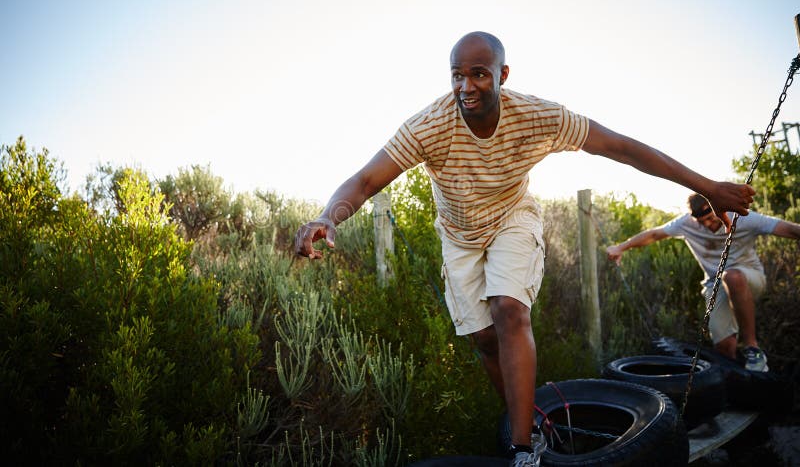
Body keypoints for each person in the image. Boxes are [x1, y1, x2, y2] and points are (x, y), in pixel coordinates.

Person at [294, 31, 754, 466]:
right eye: (457, 75)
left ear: (502, 75)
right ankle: (529, 417)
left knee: (509, 310)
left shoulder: (537, 116)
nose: (466, 86)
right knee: (485, 340)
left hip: (513, 218)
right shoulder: (429, 125)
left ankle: (523, 448)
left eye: (478, 74)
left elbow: (621, 147)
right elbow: (365, 180)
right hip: (458, 236)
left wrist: (706, 186)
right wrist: (326, 216)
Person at [607, 193, 800, 372]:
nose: (708, 224)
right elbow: (654, 234)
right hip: (714, 285)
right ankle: (738, 386)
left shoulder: (743, 217)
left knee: (731, 276)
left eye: (711, 217)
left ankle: (752, 347)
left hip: (750, 277)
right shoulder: (685, 223)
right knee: (724, 347)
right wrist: (621, 247)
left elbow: (789, 229)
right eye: (702, 221)